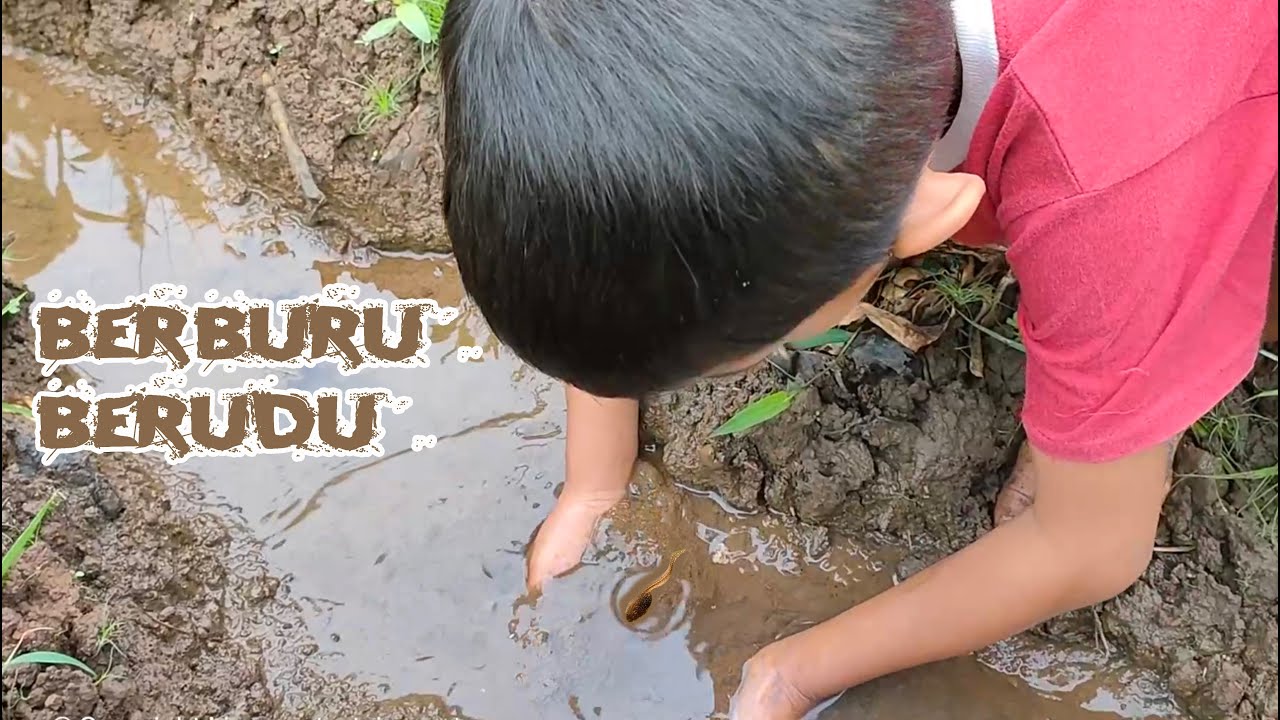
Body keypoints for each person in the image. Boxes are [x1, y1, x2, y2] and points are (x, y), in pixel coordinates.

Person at [438, 0, 1278, 715]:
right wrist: (593, 481)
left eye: (730, 354)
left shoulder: (1107, 195)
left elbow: (1091, 546)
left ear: (931, 223)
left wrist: (790, 672)